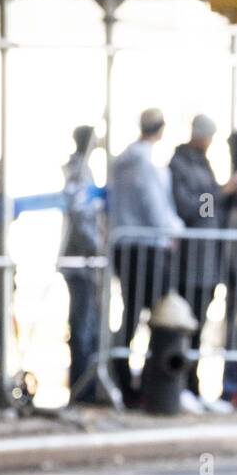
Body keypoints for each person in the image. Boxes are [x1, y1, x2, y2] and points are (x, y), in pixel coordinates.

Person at [169, 114, 237, 402]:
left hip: (208, 260)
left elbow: (208, 207)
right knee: (186, 326)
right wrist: (220, 192)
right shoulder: (179, 165)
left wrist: (227, 194)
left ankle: (192, 385)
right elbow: (192, 209)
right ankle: (184, 385)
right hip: (191, 260)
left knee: (199, 326)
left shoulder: (201, 163)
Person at [109, 107, 184, 408]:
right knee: (159, 315)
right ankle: (145, 386)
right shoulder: (146, 164)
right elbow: (155, 208)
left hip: (127, 245)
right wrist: (174, 230)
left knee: (130, 315)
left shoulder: (123, 162)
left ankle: (128, 382)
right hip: (148, 247)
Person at [60, 125, 104, 405]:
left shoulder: (81, 169)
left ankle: (85, 383)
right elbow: (81, 215)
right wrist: (97, 247)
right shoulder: (79, 171)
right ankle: (81, 386)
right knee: (83, 322)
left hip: (82, 258)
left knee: (86, 321)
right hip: (81, 260)